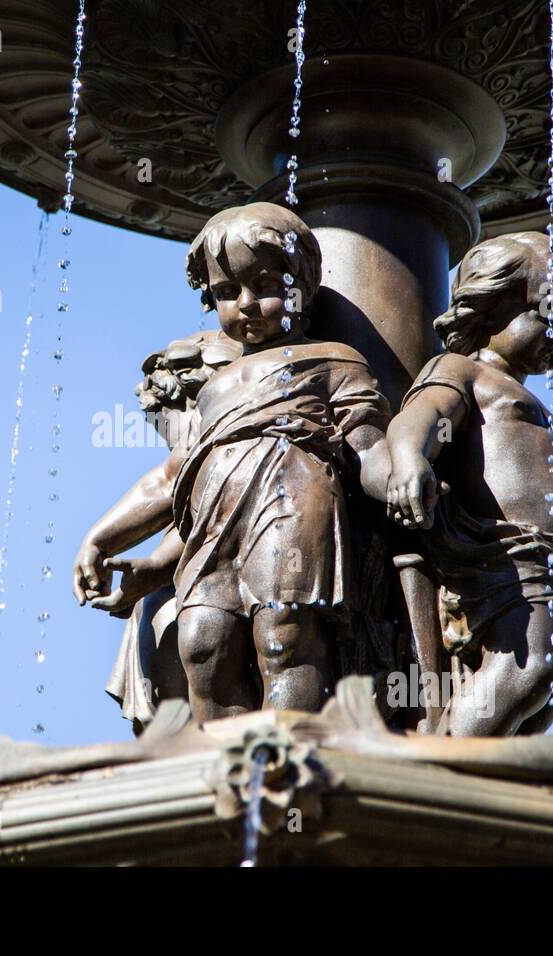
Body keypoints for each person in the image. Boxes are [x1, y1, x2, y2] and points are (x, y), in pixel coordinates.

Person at [73, 202, 391, 719]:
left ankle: (289, 764)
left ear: (303, 285)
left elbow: (366, 443)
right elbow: (173, 478)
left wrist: (401, 479)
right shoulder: (214, 388)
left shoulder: (333, 359)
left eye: (265, 285)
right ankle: (230, 775)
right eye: (226, 293)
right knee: (202, 643)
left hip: (291, 508)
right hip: (215, 528)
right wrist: (105, 538)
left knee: (283, 636)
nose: (245, 304)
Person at [386, 232, 553, 736]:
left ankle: (488, 785)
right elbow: (423, 415)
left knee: (542, 702)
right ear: (489, 307)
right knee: (528, 669)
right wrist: (410, 456)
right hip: (505, 555)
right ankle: (445, 771)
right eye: (547, 318)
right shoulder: (462, 371)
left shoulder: (530, 403)